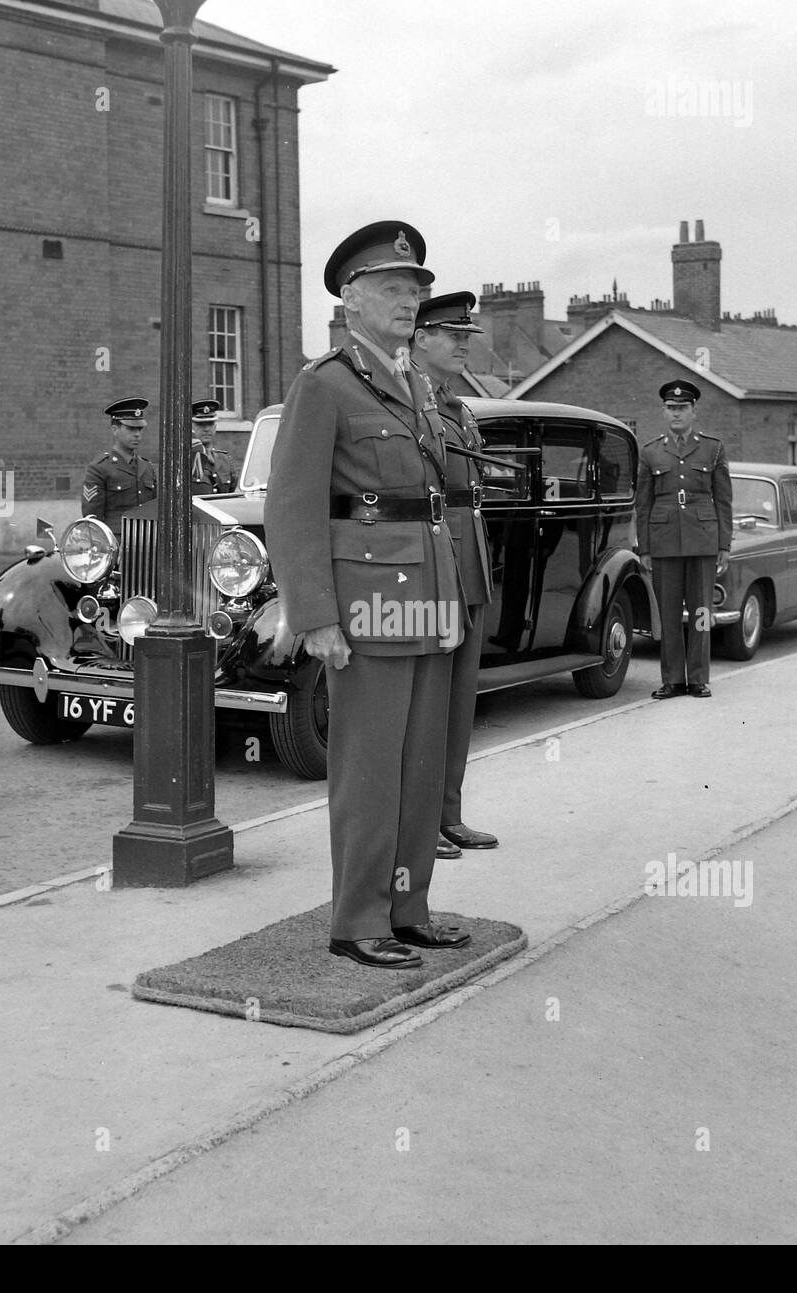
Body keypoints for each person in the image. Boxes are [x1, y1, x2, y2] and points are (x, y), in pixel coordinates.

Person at [265, 219, 470, 969]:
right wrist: (313, 615)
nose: (409, 301)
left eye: (415, 289)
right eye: (392, 288)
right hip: (369, 608)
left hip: (430, 603)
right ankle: (357, 921)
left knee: (421, 769)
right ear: (351, 299)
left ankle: (408, 908)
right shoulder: (325, 385)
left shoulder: (419, 383)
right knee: (370, 772)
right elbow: (292, 506)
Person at [410, 292, 498, 859]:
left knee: (459, 697)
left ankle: (449, 813)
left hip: (468, 558)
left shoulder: (459, 408)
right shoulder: (411, 400)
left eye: (467, 334)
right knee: (426, 701)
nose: (464, 342)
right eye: (451, 334)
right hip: (431, 559)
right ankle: (417, 827)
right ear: (419, 338)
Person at [636, 379, 732, 698]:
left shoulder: (712, 448)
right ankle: (673, 680)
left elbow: (723, 501)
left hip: (703, 541)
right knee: (669, 613)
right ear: (664, 412)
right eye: (671, 408)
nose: (676, 414)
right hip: (663, 543)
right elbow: (643, 504)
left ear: (694, 411)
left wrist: (723, 545)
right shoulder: (650, 452)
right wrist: (645, 549)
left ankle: (699, 677)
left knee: (702, 611)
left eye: (682, 408)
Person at [82, 397, 157, 524]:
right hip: (116, 540)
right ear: (115, 430)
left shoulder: (147, 467)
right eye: (131, 429)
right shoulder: (100, 468)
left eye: (139, 429)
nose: (137, 434)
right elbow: (92, 520)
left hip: (148, 539)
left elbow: (155, 510)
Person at [190, 399, 237, 494]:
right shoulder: (183, 460)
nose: (206, 429)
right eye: (200, 424)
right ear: (191, 427)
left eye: (210, 424)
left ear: (215, 427)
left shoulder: (225, 460)